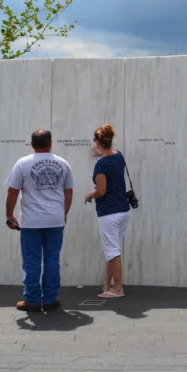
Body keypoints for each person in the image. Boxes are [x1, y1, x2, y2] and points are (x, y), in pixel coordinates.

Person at [5, 129, 75, 312]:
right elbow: (69, 192)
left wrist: (9, 215)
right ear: (50, 143)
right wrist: (63, 213)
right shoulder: (63, 163)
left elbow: (12, 192)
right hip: (55, 220)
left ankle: (33, 300)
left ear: (32, 144)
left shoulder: (22, 163)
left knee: (31, 261)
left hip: (31, 221)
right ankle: (50, 299)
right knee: (52, 259)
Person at [84, 123, 130, 299]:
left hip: (109, 213)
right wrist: (101, 153)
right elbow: (111, 162)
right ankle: (107, 286)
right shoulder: (119, 156)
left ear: (97, 142)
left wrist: (90, 195)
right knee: (112, 250)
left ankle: (117, 289)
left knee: (112, 251)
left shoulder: (101, 165)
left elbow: (101, 191)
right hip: (123, 210)